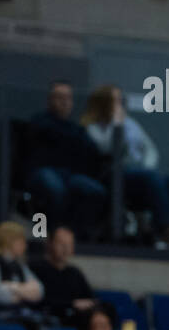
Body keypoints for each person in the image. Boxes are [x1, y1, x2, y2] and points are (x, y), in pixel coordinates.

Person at [82, 85, 169, 244]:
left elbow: (150, 148)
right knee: (153, 178)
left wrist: (147, 166)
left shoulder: (131, 123)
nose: (119, 104)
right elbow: (106, 147)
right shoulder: (93, 127)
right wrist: (117, 125)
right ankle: (166, 227)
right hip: (114, 174)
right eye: (115, 101)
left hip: (140, 172)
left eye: (120, 100)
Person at [24, 81, 107, 238]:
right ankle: (56, 232)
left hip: (70, 175)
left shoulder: (77, 128)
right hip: (44, 172)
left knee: (94, 191)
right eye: (59, 97)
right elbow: (53, 134)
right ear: (50, 100)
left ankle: (75, 234)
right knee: (55, 188)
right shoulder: (40, 121)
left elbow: (92, 150)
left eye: (68, 98)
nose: (64, 102)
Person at [28, 226, 95, 326]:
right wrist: (72, 304)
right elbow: (38, 301)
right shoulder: (35, 268)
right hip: (46, 321)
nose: (65, 248)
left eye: (69, 244)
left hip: (74, 320)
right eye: (61, 243)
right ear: (49, 243)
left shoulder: (75, 273)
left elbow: (90, 299)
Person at [0, 221, 44, 329]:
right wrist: (23, 292)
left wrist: (12, 286)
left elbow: (39, 291)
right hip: (0, 314)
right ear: (9, 241)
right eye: (21, 241)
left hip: (21, 313)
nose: (25, 245)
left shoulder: (20, 266)